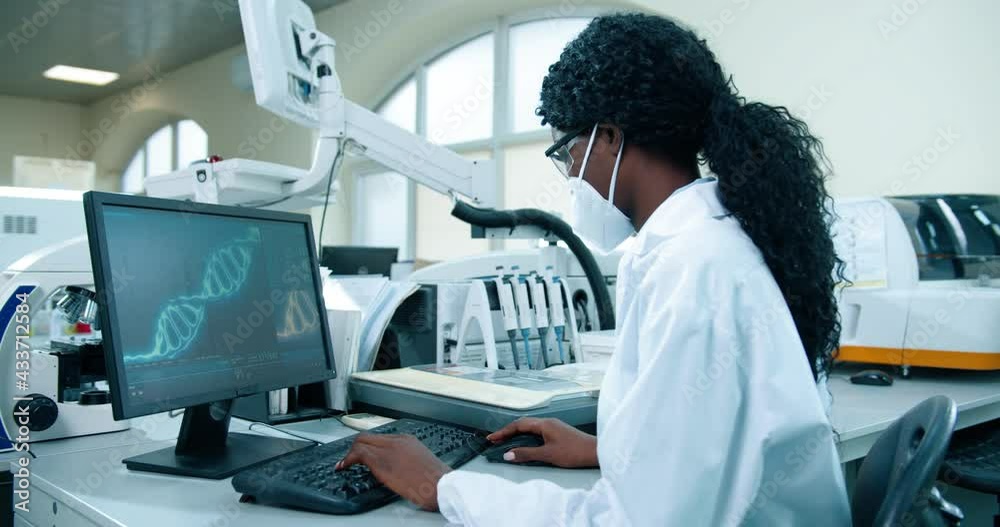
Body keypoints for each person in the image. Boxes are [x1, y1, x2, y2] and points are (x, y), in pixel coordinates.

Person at [337, 13, 851, 526]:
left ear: (608, 137)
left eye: (567, 151)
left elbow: (629, 521)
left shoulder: (692, 270)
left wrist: (445, 487)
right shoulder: (710, 243)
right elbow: (708, 442)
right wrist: (609, 450)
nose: (569, 172)